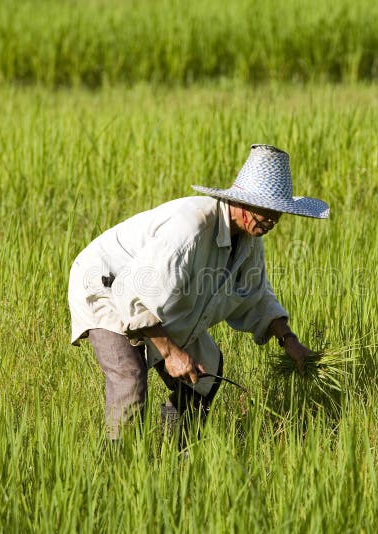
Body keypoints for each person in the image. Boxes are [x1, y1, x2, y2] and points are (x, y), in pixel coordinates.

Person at [67, 144, 329, 443]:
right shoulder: (191, 229)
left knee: (205, 376)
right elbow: (133, 292)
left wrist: (289, 341)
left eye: (278, 213)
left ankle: (176, 454)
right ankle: (118, 465)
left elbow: (256, 295)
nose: (272, 220)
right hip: (108, 286)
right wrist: (170, 353)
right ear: (243, 203)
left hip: (159, 299)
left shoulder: (248, 238)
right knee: (130, 376)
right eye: (266, 210)